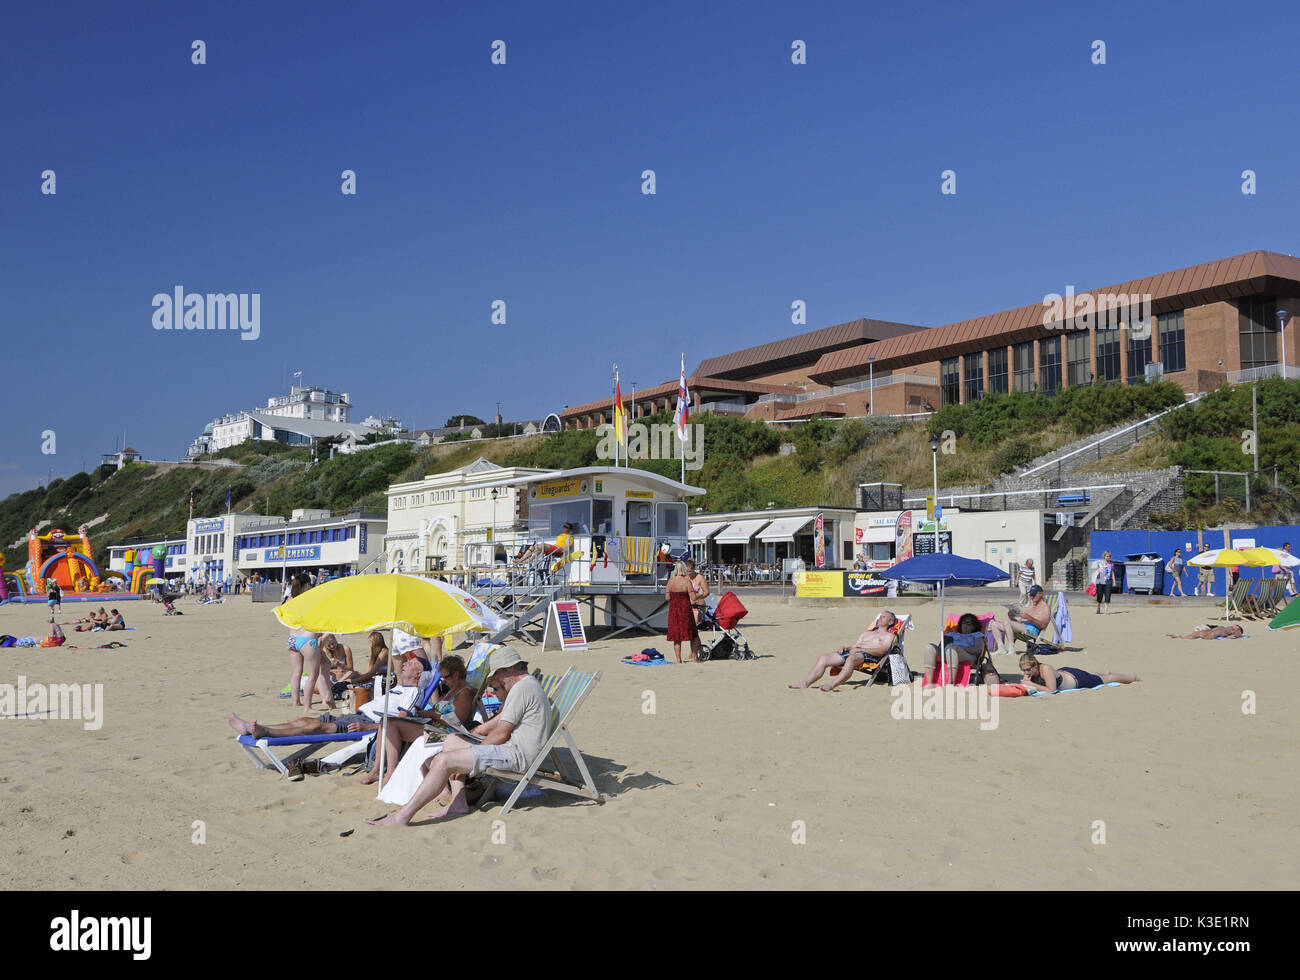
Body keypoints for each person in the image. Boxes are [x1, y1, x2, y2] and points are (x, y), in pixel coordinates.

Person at [367, 647, 550, 826]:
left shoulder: (522, 688)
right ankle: (459, 802)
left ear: (509, 669)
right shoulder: (527, 686)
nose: (498, 682)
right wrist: (473, 744)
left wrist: (473, 752)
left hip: (516, 755)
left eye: (497, 676)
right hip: (512, 748)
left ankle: (403, 816)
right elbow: (501, 729)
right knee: (451, 740)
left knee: (442, 761)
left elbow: (501, 733)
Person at [229, 655, 433, 740]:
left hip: (367, 722)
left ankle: (266, 732)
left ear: (418, 674)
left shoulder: (413, 692)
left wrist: (370, 728)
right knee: (307, 721)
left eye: (411, 663)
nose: (405, 664)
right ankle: (258, 728)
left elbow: (405, 720)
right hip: (360, 716)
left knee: (318, 727)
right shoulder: (400, 688)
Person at [359, 654, 477, 787]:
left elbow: (457, 722)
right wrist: (424, 713)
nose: (443, 681)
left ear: (456, 675)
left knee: (391, 723)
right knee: (385, 721)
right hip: (433, 727)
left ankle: (390, 772)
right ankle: (377, 769)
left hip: (445, 735)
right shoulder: (452, 690)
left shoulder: (465, 693)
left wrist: (432, 714)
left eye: (445, 677)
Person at [789, 611, 900, 692]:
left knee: (851, 659)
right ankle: (805, 683)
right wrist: (846, 648)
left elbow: (883, 650)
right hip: (855, 652)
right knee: (823, 658)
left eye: (883, 617)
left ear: (890, 622)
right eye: (880, 616)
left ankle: (832, 685)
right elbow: (854, 646)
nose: (880, 618)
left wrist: (862, 649)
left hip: (870, 656)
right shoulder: (867, 633)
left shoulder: (889, 636)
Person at [924, 612, 990, 684]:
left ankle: (951, 683)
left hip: (968, 656)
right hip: (949, 653)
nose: (965, 625)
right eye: (963, 623)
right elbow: (942, 647)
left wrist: (959, 648)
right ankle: (929, 683)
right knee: (929, 647)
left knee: (951, 647)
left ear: (974, 626)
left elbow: (978, 650)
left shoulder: (977, 635)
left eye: (969, 624)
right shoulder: (951, 634)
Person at [1018, 652, 1138, 692]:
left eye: (1028, 669)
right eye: (1023, 670)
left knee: (1106, 679)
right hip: (1066, 673)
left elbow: (1051, 690)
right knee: (1094, 676)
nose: (1026, 672)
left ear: (1035, 666)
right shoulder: (1030, 673)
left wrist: (1031, 684)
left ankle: (1131, 677)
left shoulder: (1045, 669)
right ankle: (1104, 672)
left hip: (1077, 679)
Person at [665, 561, 701, 664]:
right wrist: (699, 594)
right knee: (693, 634)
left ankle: (678, 660)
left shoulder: (670, 581)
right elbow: (693, 598)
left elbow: (667, 597)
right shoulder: (687, 581)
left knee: (676, 637)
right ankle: (695, 658)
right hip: (685, 609)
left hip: (674, 610)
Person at [685, 558, 710, 626]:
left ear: (693, 569)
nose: (688, 573)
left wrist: (698, 597)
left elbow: (707, 592)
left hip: (698, 605)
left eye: (690, 571)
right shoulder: (685, 578)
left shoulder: (699, 578)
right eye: (687, 571)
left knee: (694, 623)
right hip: (687, 604)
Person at [1168, 624, 1245, 639]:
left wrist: (1231, 636)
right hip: (1208, 630)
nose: (1235, 625)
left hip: (1210, 630)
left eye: (1236, 625)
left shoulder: (1235, 630)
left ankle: (1179, 636)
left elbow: (1239, 634)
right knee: (1197, 634)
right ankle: (1179, 636)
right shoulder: (1228, 629)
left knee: (1196, 634)